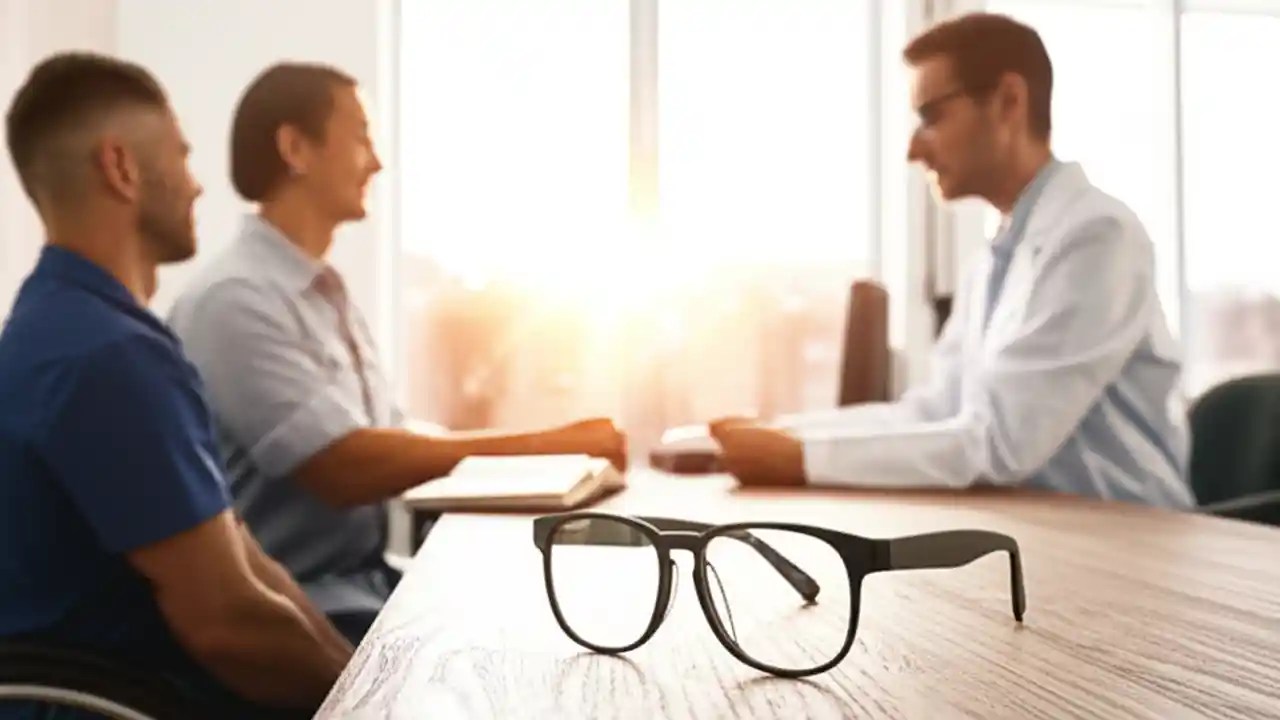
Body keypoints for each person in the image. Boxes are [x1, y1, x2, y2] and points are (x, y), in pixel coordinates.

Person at [167, 62, 627, 645]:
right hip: (305, 597)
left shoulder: (324, 292)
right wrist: (545, 444)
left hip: (369, 579)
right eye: (360, 135)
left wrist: (543, 458)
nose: (377, 162)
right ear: (295, 148)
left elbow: (394, 434)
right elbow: (345, 466)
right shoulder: (234, 299)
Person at [705, 13, 1194, 509]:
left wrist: (802, 457)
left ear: (1008, 101)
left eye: (931, 117)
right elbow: (936, 411)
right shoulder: (994, 259)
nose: (913, 149)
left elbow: (1001, 443)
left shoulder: (1098, 236)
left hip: (1134, 537)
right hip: (1051, 524)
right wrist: (779, 435)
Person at [0, 53, 351, 718]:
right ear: (122, 167)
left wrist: (358, 676)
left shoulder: (66, 325)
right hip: (125, 703)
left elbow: (245, 563)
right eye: (183, 157)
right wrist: (375, 703)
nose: (197, 187)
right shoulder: (106, 358)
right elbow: (230, 627)